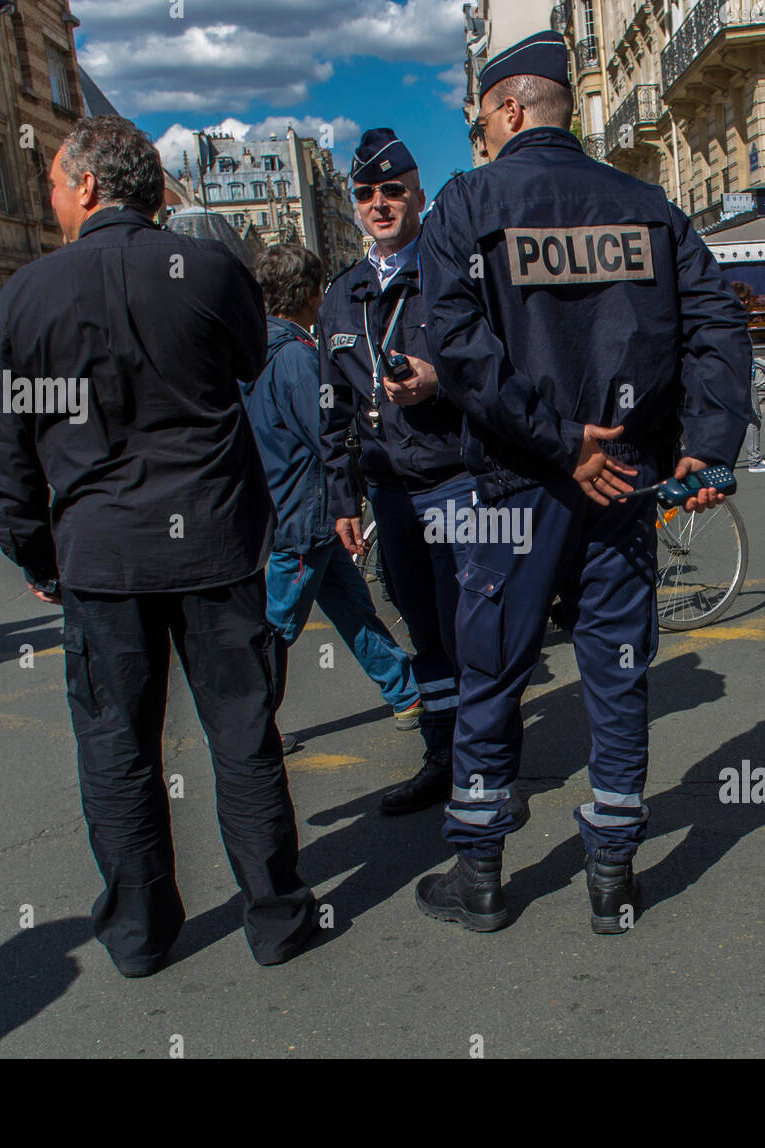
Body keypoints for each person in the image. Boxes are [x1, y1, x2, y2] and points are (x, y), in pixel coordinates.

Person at [417, 30, 751, 933]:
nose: (480, 133)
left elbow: (453, 344)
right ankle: (613, 876)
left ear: (511, 110)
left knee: (491, 672)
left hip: (524, 482)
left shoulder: (469, 203)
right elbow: (718, 322)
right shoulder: (648, 206)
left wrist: (560, 441)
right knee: (615, 669)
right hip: (629, 481)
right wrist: (706, 445)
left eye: (482, 117)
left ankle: (481, 876)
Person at [0, 114, 315, 975]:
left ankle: (139, 932)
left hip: (102, 556)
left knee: (117, 747)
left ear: (87, 185)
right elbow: (249, 362)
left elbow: (7, 451)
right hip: (213, 541)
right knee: (242, 735)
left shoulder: (28, 295)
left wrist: (35, 553)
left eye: (54, 182)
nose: (51, 198)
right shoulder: (207, 270)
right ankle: (275, 916)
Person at [319, 127, 475, 816]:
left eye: (391, 190)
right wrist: (340, 497)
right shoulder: (342, 294)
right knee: (421, 628)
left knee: (468, 626)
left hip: (455, 481)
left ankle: (483, 765)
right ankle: (441, 756)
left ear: (417, 194)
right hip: (389, 490)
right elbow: (332, 407)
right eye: (364, 194)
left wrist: (439, 382)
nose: (378, 204)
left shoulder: (449, 272)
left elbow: (494, 368)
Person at [240, 243, 422, 746]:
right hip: (303, 516)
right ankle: (250, 729)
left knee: (351, 607)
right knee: (275, 626)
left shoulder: (256, 350)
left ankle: (406, 692)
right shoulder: (297, 360)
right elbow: (327, 436)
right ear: (308, 295)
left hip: (294, 512)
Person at [731, 281, 765, 473]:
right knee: (753, 416)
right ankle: (754, 460)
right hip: (740, 376)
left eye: (745, 299)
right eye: (740, 299)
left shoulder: (735, 319)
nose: (744, 303)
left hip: (741, 375)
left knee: (744, 417)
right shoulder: (733, 321)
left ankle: (750, 459)